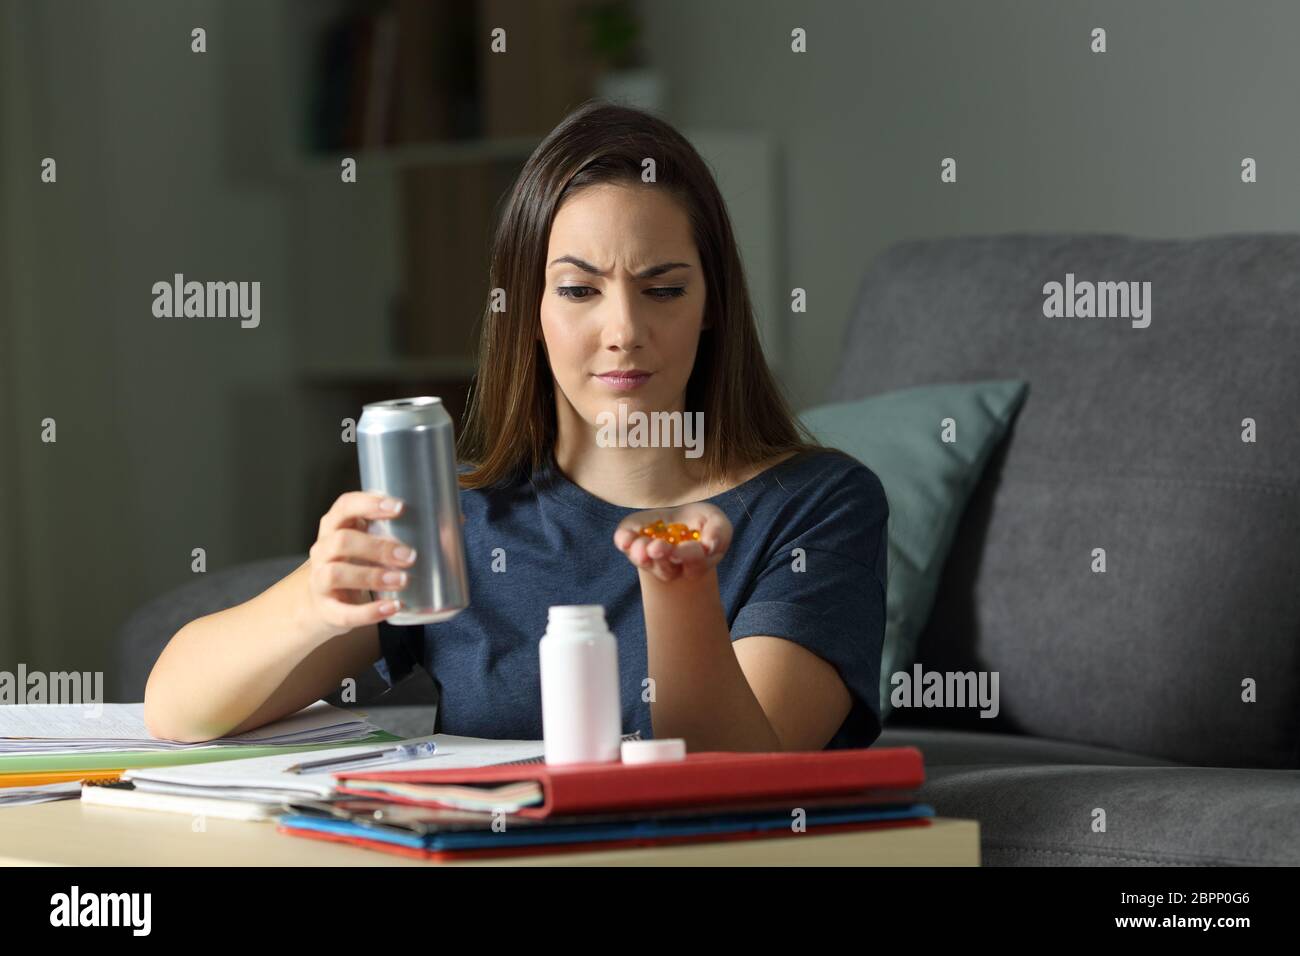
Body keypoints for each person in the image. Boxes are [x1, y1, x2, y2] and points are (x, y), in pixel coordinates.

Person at [144, 101, 889, 752]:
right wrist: (314, 598)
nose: (624, 329)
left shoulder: (818, 505)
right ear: (526, 315)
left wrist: (680, 584)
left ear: (712, 305)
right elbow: (177, 707)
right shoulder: (463, 522)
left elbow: (739, 776)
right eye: (578, 290)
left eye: (663, 288)